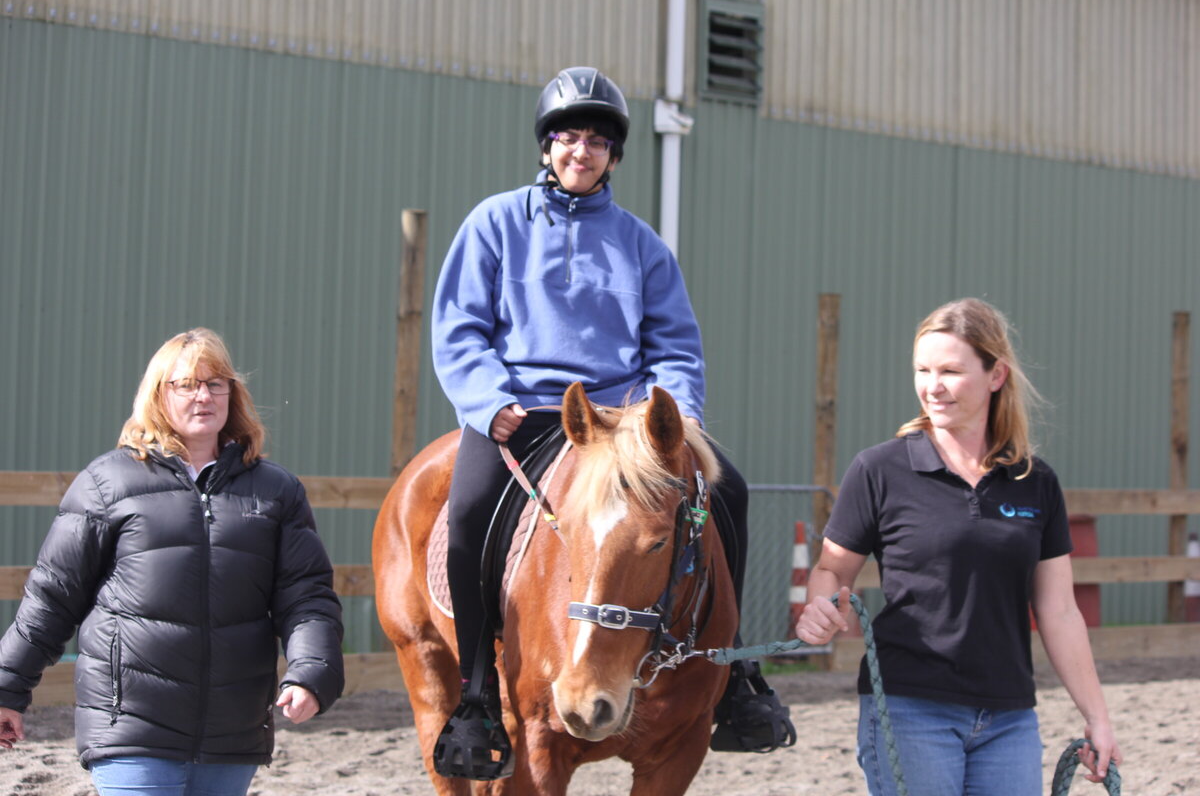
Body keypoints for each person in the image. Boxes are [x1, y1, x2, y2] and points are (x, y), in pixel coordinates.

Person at [429, 65, 795, 778]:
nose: (581, 150)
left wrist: (678, 416)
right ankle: (476, 690)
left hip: (624, 423)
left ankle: (734, 676)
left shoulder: (642, 245)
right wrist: (486, 401)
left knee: (731, 491)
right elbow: (459, 329)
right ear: (547, 146)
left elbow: (675, 345)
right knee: (469, 511)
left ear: (614, 157)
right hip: (521, 413)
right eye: (568, 136)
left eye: (598, 140)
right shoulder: (494, 223)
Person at [795, 298, 1122, 796]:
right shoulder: (879, 470)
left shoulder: (1035, 482)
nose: (933, 386)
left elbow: (1059, 611)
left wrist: (1097, 717)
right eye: (922, 370)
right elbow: (831, 570)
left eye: (950, 370)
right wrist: (820, 606)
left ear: (996, 375)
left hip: (1010, 718)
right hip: (910, 710)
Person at [0, 328, 345, 796]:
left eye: (215, 383)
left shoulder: (277, 491)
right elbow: (53, 597)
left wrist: (310, 672)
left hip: (231, 733)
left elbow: (308, 598)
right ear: (158, 395)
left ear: (232, 393)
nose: (203, 395)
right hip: (130, 729)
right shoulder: (107, 483)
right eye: (185, 384)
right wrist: (8, 689)